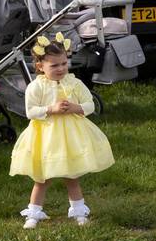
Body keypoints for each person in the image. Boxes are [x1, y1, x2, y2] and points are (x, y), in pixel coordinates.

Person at [10, 34, 113, 229]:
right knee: (42, 177)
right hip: (46, 137)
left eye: (64, 63)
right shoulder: (36, 86)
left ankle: (78, 211)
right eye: (54, 65)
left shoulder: (75, 83)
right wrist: (51, 109)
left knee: (72, 176)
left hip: (70, 136)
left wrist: (76, 108)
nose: (61, 69)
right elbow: (30, 112)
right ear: (40, 66)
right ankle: (34, 212)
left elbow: (90, 105)